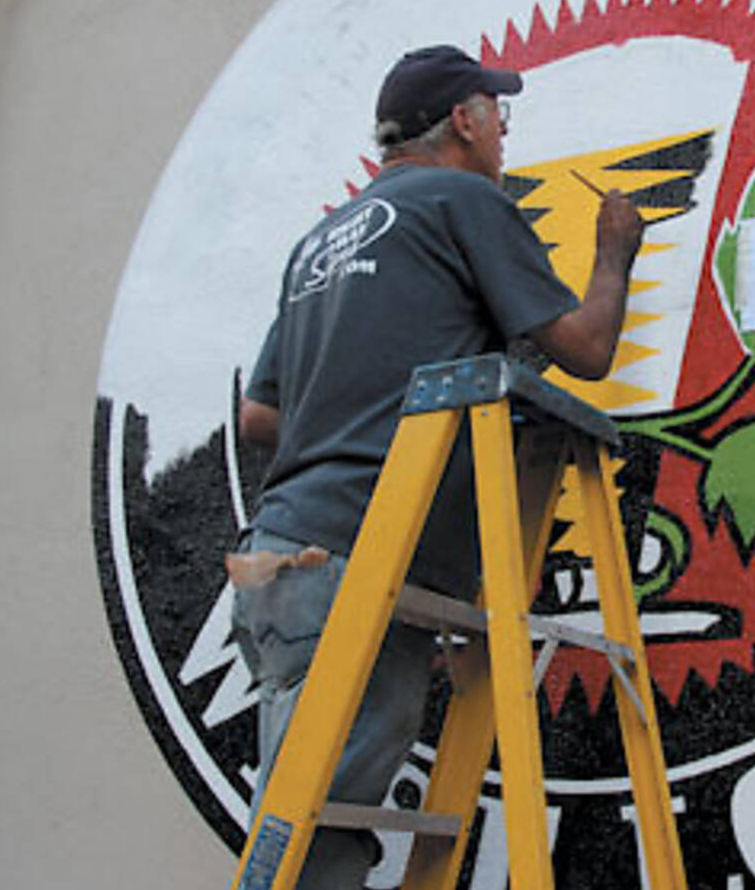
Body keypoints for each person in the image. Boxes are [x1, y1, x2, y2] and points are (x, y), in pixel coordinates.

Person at [230, 44, 643, 887]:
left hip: (277, 563)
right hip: (363, 559)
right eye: (497, 112)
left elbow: (259, 415)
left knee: (306, 821)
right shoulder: (464, 198)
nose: (505, 129)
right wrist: (614, 252)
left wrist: (357, 391)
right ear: (464, 119)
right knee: (317, 854)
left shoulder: (320, 240)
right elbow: (588, 350)